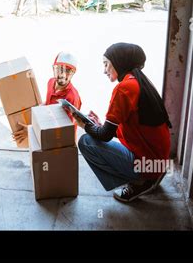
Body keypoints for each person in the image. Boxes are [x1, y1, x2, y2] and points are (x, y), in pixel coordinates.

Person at [72, 43, 172, 203]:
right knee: (95, 135)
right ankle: (151, 176)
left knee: (86, 142)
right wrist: (97, 124)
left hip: (146, 163)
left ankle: (139, 182)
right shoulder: (140, 82)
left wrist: (85, 125)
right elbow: (132, 129)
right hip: (158, 161)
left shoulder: (124, 88)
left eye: (106, 64)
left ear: (119, 62)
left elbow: (105, 136)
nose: (104, 70)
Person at [13, 51, 82, 144]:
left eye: (68, 71)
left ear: (73, 73)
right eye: (59, 69)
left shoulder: (72, 97)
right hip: (48, 129)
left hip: (63, 142)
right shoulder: (51, 82)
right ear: (53, 69)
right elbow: (49, 104)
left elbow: (64, 131)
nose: (63, 75)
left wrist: (31, 131)